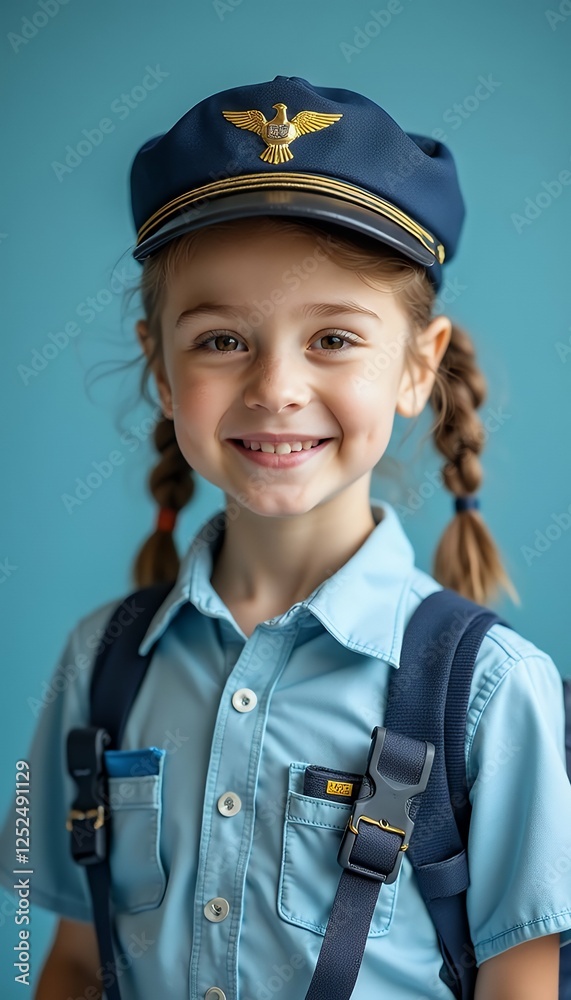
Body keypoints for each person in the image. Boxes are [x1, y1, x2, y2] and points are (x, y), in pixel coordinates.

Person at [1, 74, 570, 1000]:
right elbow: (68, 963)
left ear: (416, 368)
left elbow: (521, 982)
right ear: (160, 366)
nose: (275, 388)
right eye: (221, 340)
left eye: (333, 339)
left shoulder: (493, 691)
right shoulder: (97, 664)